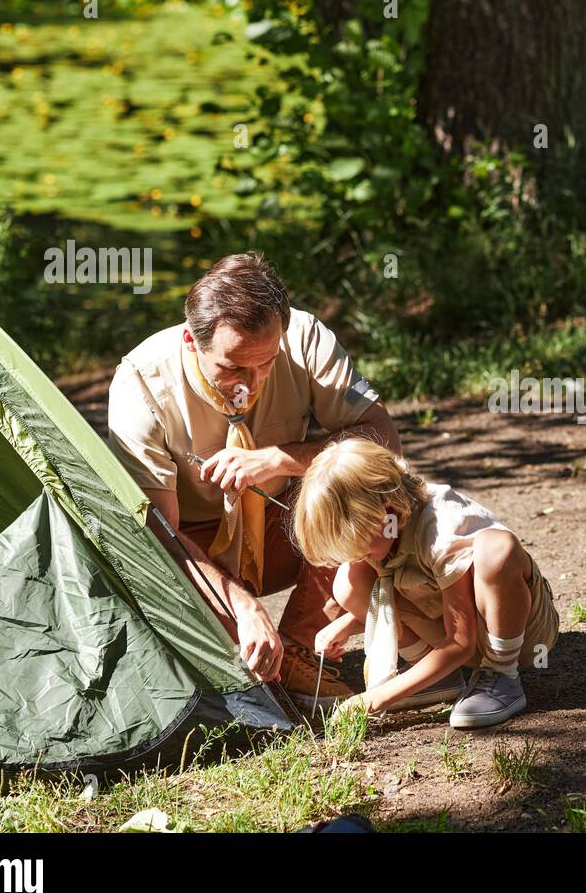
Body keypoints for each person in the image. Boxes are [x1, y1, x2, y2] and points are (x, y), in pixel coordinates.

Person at [107, 252, 401, 708]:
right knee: (148, 550)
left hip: (287, 528)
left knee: (362, 480)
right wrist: (242, 607)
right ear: (191, 340)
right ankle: (260, 662)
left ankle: (301, 648)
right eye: (234, 368)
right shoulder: (140, 384)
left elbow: (383, 441)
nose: (253, 383)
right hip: (197, 545)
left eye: (267, 363)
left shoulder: (304, 337)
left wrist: (278, 460)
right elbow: (159, 536)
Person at [294, 439, 559, 729]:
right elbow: (408, 597)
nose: (361, 557)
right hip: (462, 639)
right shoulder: (386, 533)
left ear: (388, 510)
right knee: (348, 582)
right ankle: (440, 676)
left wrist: (376, 698)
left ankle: (501, 675)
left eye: (363, 547)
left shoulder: (441, 527)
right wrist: (351, 623)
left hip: (521, 634)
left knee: (497, 551)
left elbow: (459, 642)